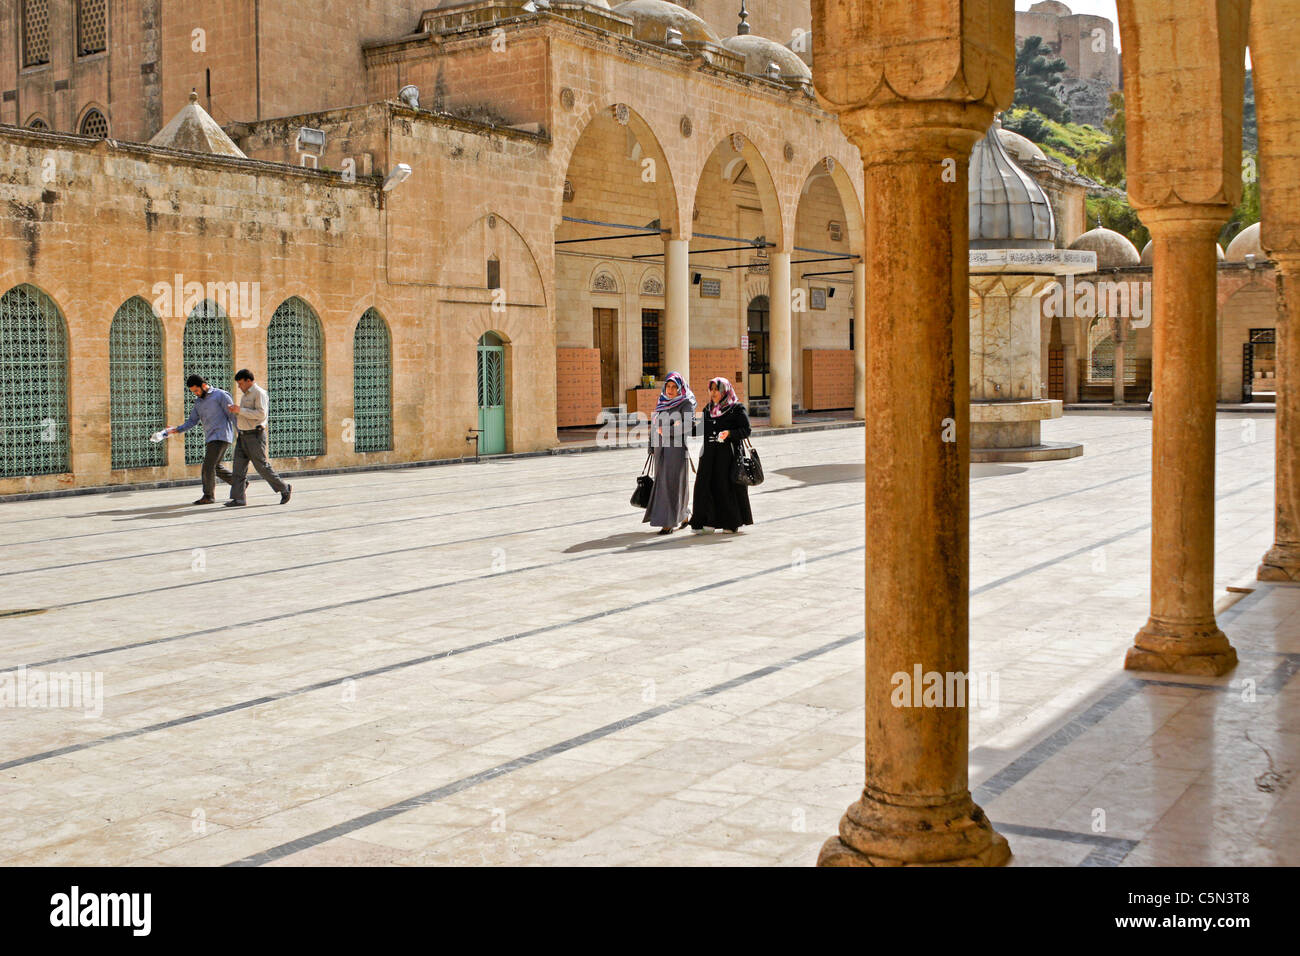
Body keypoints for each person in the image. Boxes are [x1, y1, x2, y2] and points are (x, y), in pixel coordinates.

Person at [690, 376, 753, 533]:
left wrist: (730, 433)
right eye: (711, 389)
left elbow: (746, 430)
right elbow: (699, 429)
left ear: (725, 391)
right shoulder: (708, 409)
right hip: (708, 456)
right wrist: (682, 426)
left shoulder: (736, 409)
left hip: (728, 457)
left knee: (725, 488)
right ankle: (706, 521)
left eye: (716, 389)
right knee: (704, 486)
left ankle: (730, 523)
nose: (713, 393)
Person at [162, 374, 236, 504]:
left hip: (222, 436)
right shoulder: (198, 402)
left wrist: (242, 433)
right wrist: (177, 429)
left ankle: (208, 496)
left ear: (203, 385)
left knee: (208, 466)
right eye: (193, 392)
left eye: (196, 390)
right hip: (210, 437)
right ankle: (240, 483)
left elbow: (233, 416)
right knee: (215, 466)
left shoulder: (221, 395)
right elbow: (192, 421)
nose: (196, 393)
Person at [225, 369, 292, 507]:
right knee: (238, 467)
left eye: (241, 383)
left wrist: (240, 410)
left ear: (249, 381)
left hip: (254, 436)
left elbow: (261, 414)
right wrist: (237, 412)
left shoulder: (259, 393)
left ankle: (284, 488)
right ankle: (239, 498)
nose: (239, 387)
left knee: (261, 466)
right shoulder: (245, 395)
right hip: (243, 435)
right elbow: (248, 414)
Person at [642, 372, 696, 535]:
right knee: (663, 484)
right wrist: (651, 445)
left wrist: (667, 430)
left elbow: (688, 426)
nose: (670, 390)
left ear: (680, 389)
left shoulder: (685, 404)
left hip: (676, 450)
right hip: (660, 450)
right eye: (668, 386)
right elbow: (655, 425)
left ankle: (668, 522)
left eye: (674, 387)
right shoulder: (662, 402)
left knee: (672, 484)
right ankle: (684, 514)